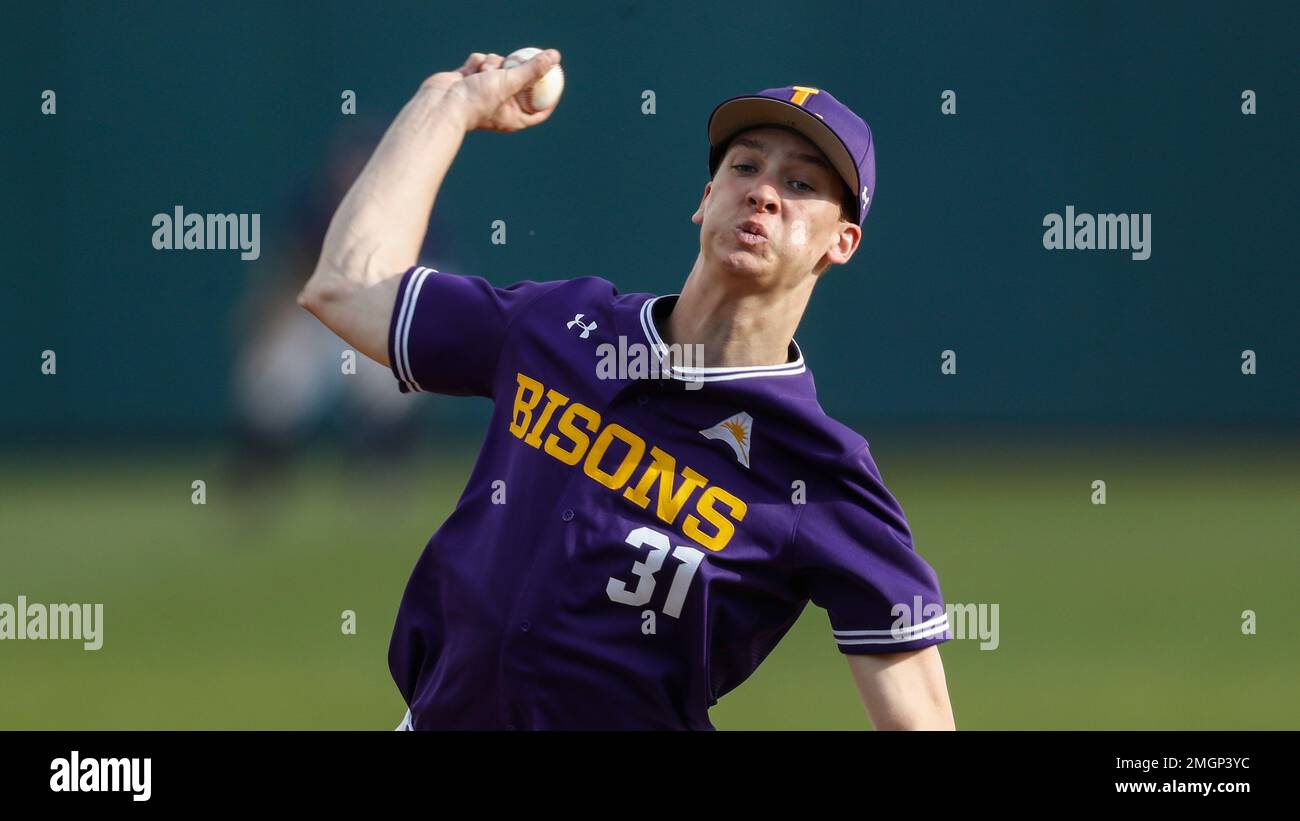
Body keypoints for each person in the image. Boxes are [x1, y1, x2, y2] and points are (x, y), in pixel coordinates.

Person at [298, 48, 956, 730]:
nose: (764, 192)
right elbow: (346, 288)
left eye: (801, 184)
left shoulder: (818, 471)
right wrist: (444, 108)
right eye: (745, 166)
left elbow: (921, 719)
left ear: (840, 242)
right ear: (706, 199)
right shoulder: (558, 327)